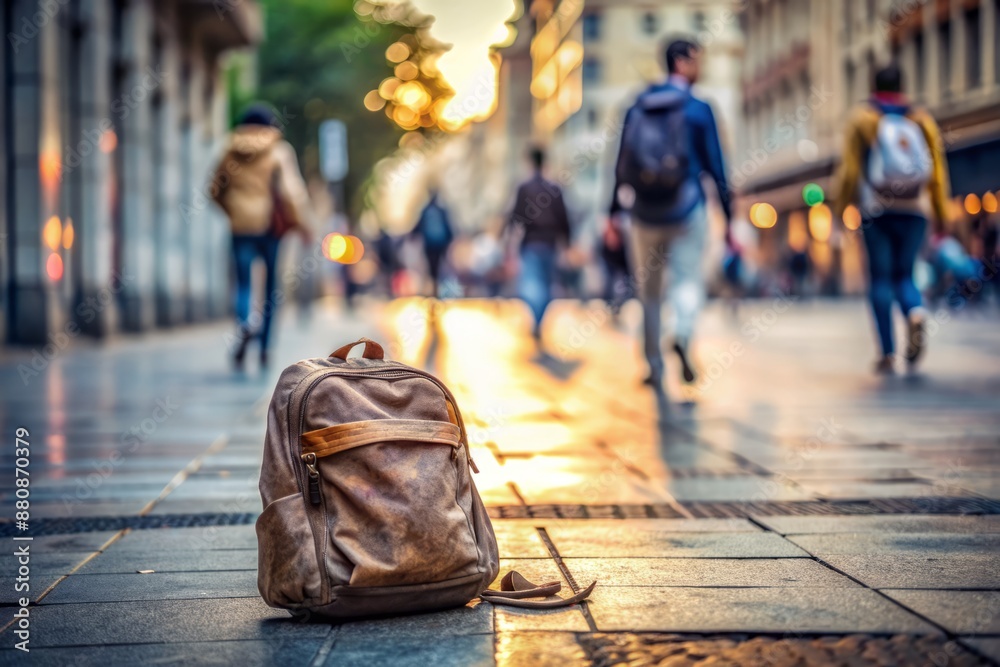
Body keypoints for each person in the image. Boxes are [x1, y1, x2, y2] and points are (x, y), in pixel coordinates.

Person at [612, 38, 734, 391]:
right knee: (686, 280)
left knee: (649, 292)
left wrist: (612, 212)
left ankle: (654, 365)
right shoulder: (699, 108)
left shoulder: (636, 106)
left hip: (643, 212)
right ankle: (681, 333)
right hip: (686, 208)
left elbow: (620, 164)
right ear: (681, 62)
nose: (702, 67)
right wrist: (728, 214)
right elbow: (717, 167)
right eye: (697, 59)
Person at [834, 63, 950, 374]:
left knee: (880, 278)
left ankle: (886, 352)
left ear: (872, 86)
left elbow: (849, 170)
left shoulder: (862, 118)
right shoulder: (921, 118)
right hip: (915, 209)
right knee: (905, 274)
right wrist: (940, 212)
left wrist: (840, 208)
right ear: (903, 85)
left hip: (876, 210)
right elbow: (937, 170)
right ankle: (914, 310)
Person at [211, 104, 310, 370]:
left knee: (242, 283)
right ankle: (265, 349)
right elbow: (291, 192)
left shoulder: (228, 149)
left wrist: (232, 211)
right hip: (269, 229)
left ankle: (246, 322)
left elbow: (214, 188)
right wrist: (302, 224)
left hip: (240, 227)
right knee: (270, 290)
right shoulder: (279, 151)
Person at [507, 147, 572, 342]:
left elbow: (514, 217)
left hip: (531, 243)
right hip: (550, 244)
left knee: (533, 284)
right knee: (546, 285)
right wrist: (567, 242)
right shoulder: (554, 188)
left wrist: (507, 240)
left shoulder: (524, 188)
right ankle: (538, 321)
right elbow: (564, 219)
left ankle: (536, 320)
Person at [413, 190, 455, 297]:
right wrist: (450, 240)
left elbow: (418, 226)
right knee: (440, 268)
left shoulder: (426, 210)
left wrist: (412, 235)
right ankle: (439, 291)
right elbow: (449, 227)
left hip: (429, 245)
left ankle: (432, 290)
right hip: (441, 245)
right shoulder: (441, 211)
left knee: (431, 268)